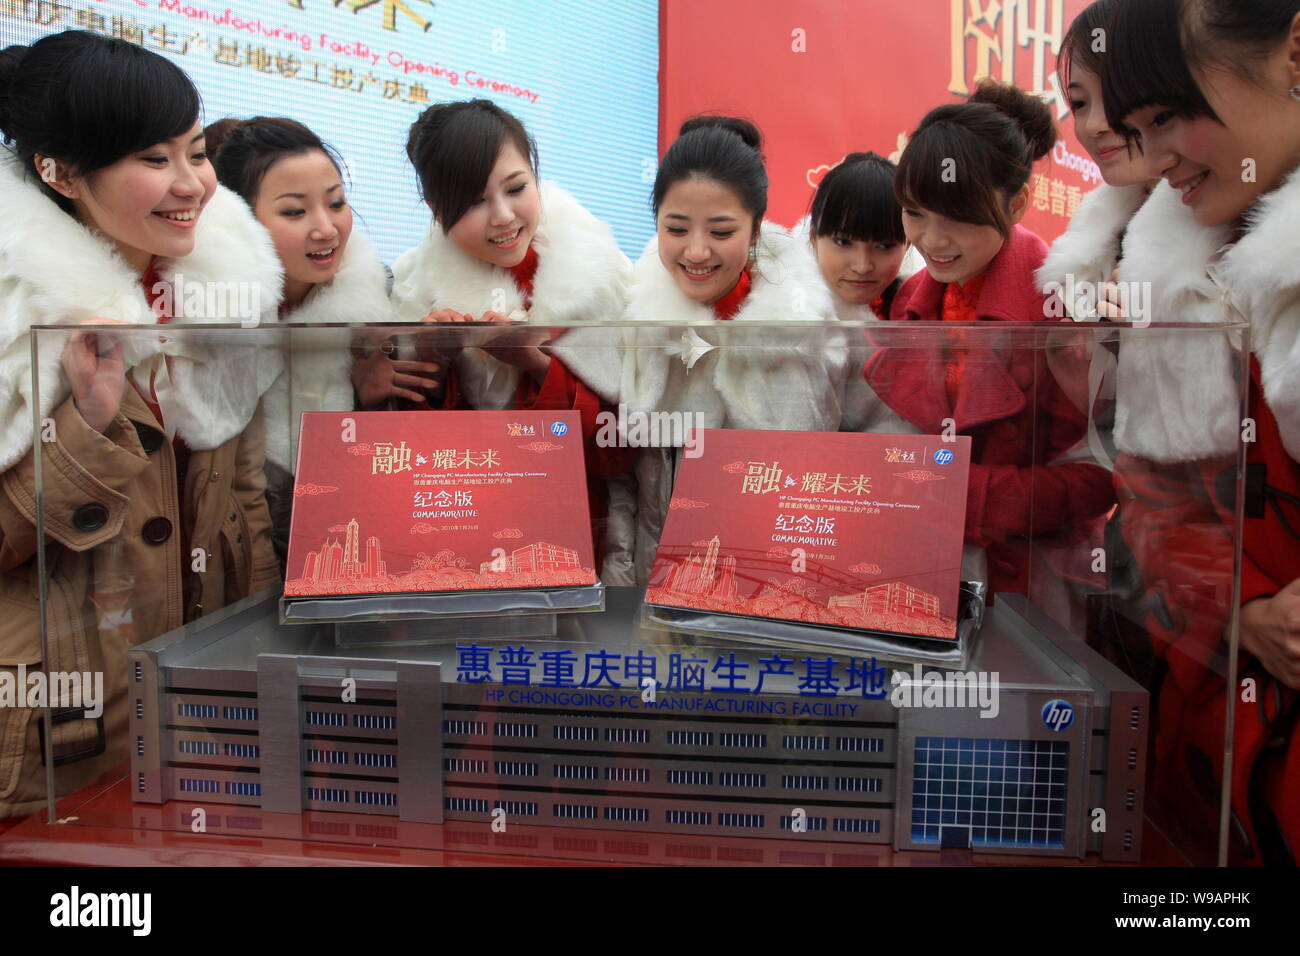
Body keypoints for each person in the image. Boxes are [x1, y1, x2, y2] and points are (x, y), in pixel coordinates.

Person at [0, 31, 282, 824]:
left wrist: (260, 679)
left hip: (207, 721)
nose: (192, 184)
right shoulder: (17, 313)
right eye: (154, 160)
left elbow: (247, 513)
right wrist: (86, 428)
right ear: (58, 171)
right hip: (55, 727)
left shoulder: (229, 296)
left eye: (196, 152)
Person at [1101, 0, 1300, 865]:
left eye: (1169, 115)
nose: (1154, 159)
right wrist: (1243, 605)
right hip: (1216, 782)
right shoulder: (1170, 269)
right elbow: (1146, 502)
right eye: (1137, 128)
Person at [864, 81, 1114, 595]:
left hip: (1029, 581)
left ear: (1018, 202)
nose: (932, 241)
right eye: (915, 213)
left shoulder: (1063, 305)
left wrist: (966, 497)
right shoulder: (912, 293)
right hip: (916, 570)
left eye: (958, 218)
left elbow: (1103, 472)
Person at [391, 99, 636, 579]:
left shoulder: (608, 278)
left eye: (517, 188)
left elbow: (628, 446)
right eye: (474, 202)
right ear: (435, 209)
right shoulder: (409, 293)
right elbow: (403, 468)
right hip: (464, 543)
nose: (502, 217)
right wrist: (433, 366)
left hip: (585, 538)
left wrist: (539, 365)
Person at [608, 116, 846, 581]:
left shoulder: (802, 330)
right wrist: (622, 588)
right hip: (653, 589)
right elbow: (622, 478)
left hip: (765, 585)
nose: (696, 252)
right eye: (676, 230)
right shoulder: (634, 317)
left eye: (720, 233)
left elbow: (816, 483)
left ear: (755, 231)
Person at [207, 117, 403, 562]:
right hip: (235, 565)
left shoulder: (380, 306)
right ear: (239, 218)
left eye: (336, 203)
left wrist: (371, 402)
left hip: (352, 558)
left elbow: (402, 479)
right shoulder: (210, 315)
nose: (326, 229)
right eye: (295, 211)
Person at [1036, 0, 1157, 321]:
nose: (1093, 125)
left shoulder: (1235, 229)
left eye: (1117, 94)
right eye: (1079, 103)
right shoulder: (1092, 238)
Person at [794, 151, 922, 432]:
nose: (863, 266)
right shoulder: (787, 315)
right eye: (843, 241)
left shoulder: (925, 309)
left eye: (884, 246)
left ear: (909, 244)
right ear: (814, 235)